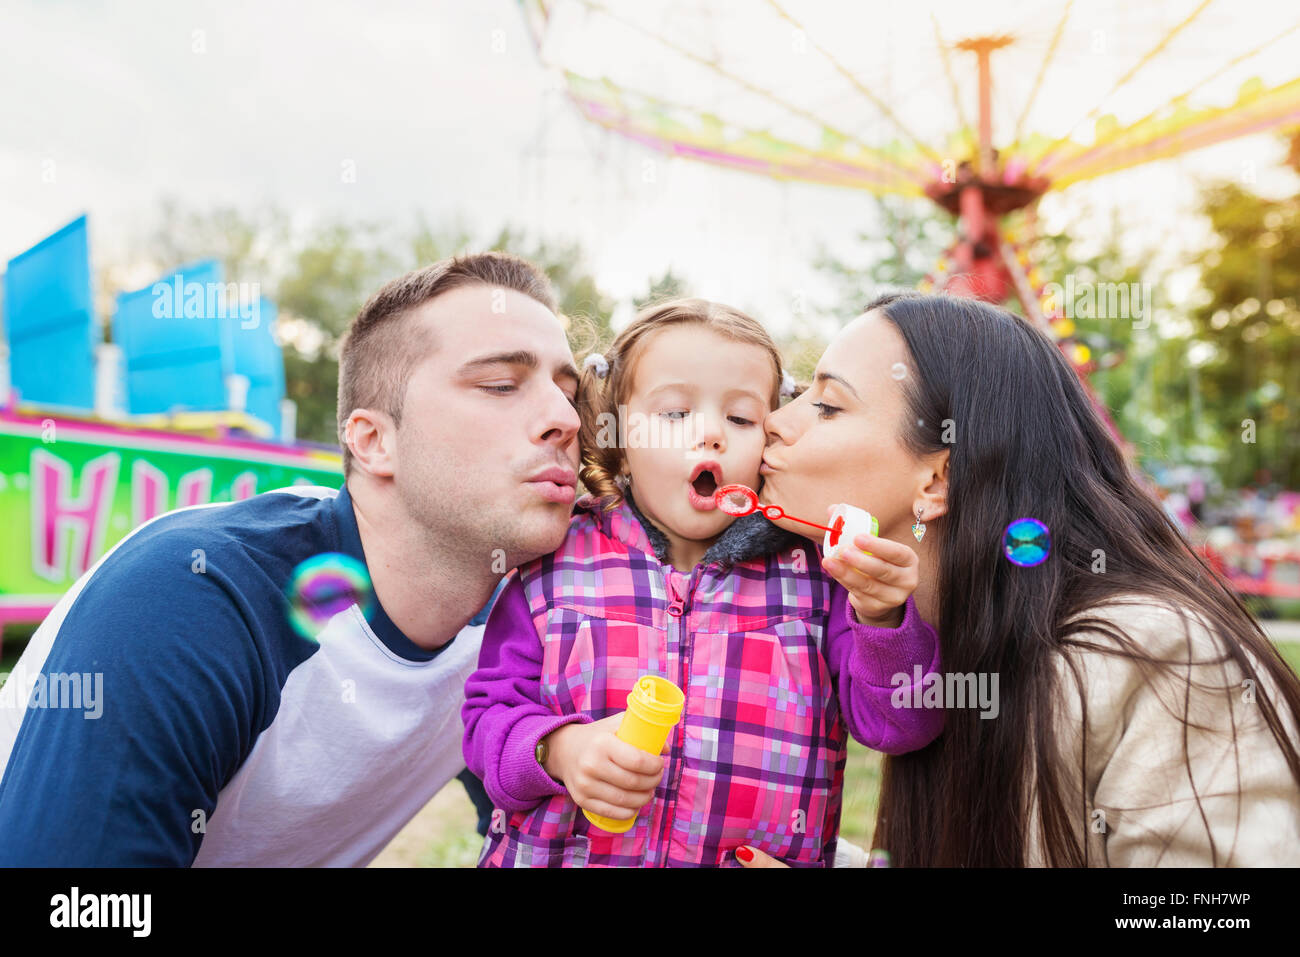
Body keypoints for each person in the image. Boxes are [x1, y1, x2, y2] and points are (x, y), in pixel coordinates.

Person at [0, 252, 581, 866]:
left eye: (570, 393)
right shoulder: (191, 602)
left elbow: (539, 826)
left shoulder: (527, 623)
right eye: (500, 385)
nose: (566, 420)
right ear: (373, 440)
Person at [738, 291, 1300, 867]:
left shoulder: (1157, 659)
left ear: (938, 478)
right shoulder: (941, 652)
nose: (774, 422)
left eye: (826, 405)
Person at [462, 297, 944, 868]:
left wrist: (884, 619)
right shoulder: (553, 563)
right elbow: (487, 723)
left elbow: (899, 724)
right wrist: (560, 750)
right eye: (674, 413)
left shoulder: (817, 580)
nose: (712, 434)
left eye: (741, 419)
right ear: (621, 441)